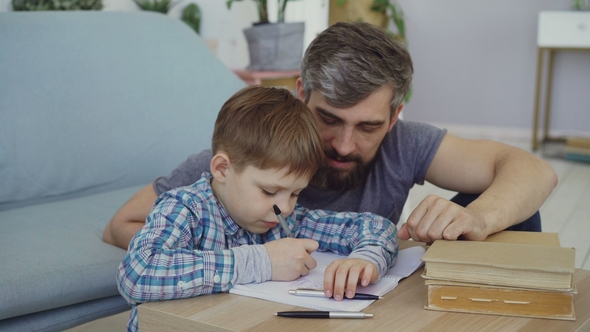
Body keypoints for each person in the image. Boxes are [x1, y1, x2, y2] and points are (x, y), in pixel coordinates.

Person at [103, 21, 557, 249]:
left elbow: (535, 172)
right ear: (302, 93)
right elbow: (121, 225)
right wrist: (233, 260)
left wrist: (477, 218)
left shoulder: (405, 143)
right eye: (329, 118)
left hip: (376, 300)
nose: (343, 145)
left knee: (514, 216)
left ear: (395, 114)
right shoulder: (237, 164)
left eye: (368, 127)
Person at [116, 86, 398, 331]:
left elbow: (376, 226)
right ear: (223, 169)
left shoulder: (284, 219)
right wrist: (259, 261)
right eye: (269, 191)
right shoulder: (184, 209)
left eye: (297, 193)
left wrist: (365, 259)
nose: (285, 207)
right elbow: (136, 275)